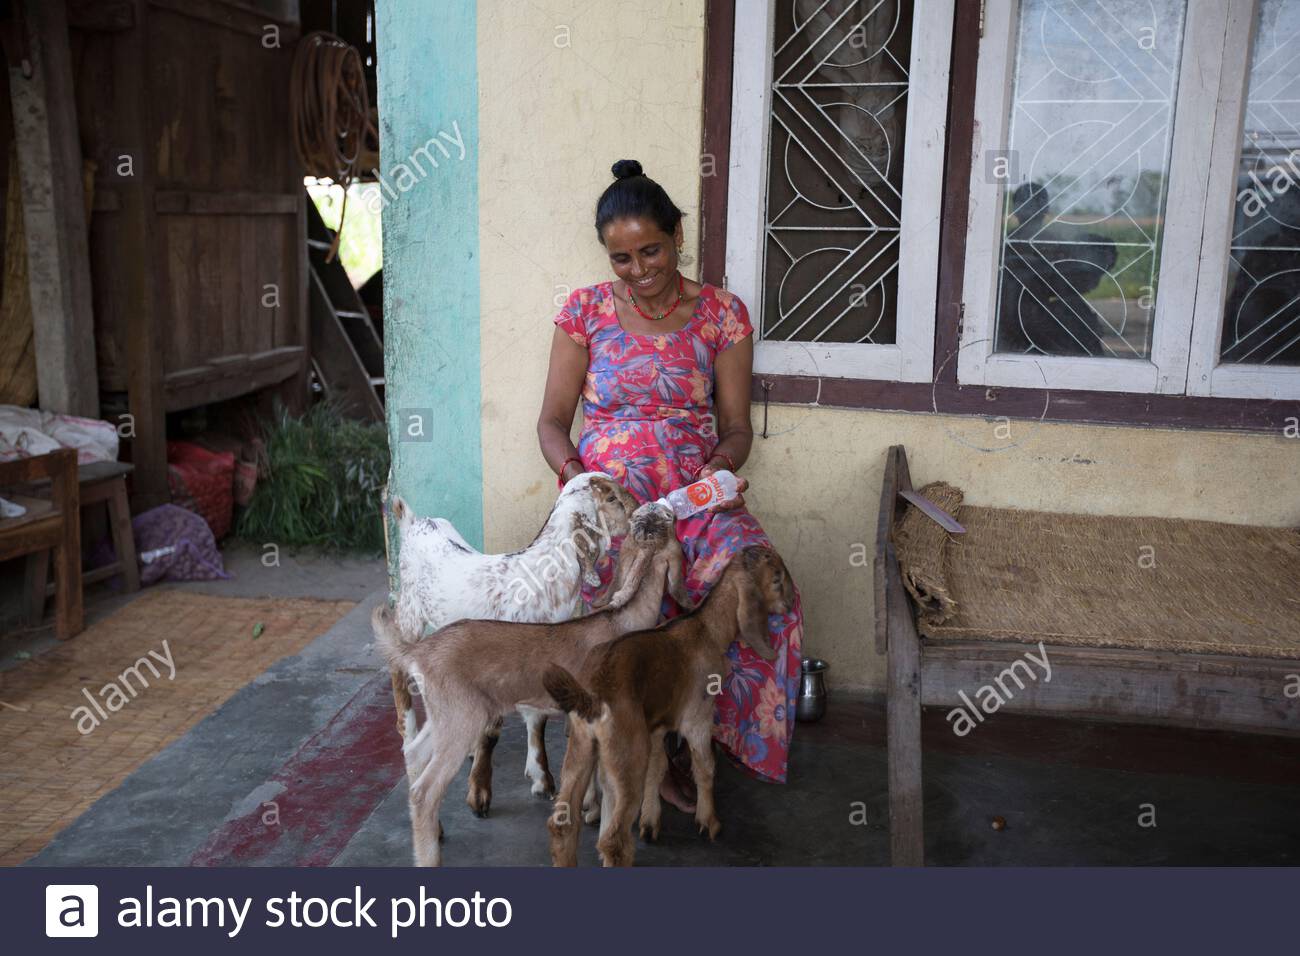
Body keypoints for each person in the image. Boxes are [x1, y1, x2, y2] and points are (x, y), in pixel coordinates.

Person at [536, 159, 804, 800]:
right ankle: (634, 743)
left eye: (650, 250)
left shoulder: (721, 314)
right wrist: (581, 483)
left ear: (678, 235)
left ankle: (697, 738)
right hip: (608, 501)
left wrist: (716, 471)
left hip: (690, 496)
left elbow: (737, 428)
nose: (638, 270)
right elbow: (550, 423)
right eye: (621, 259)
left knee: (765, 596)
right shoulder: (584, 312)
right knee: (618, 607)